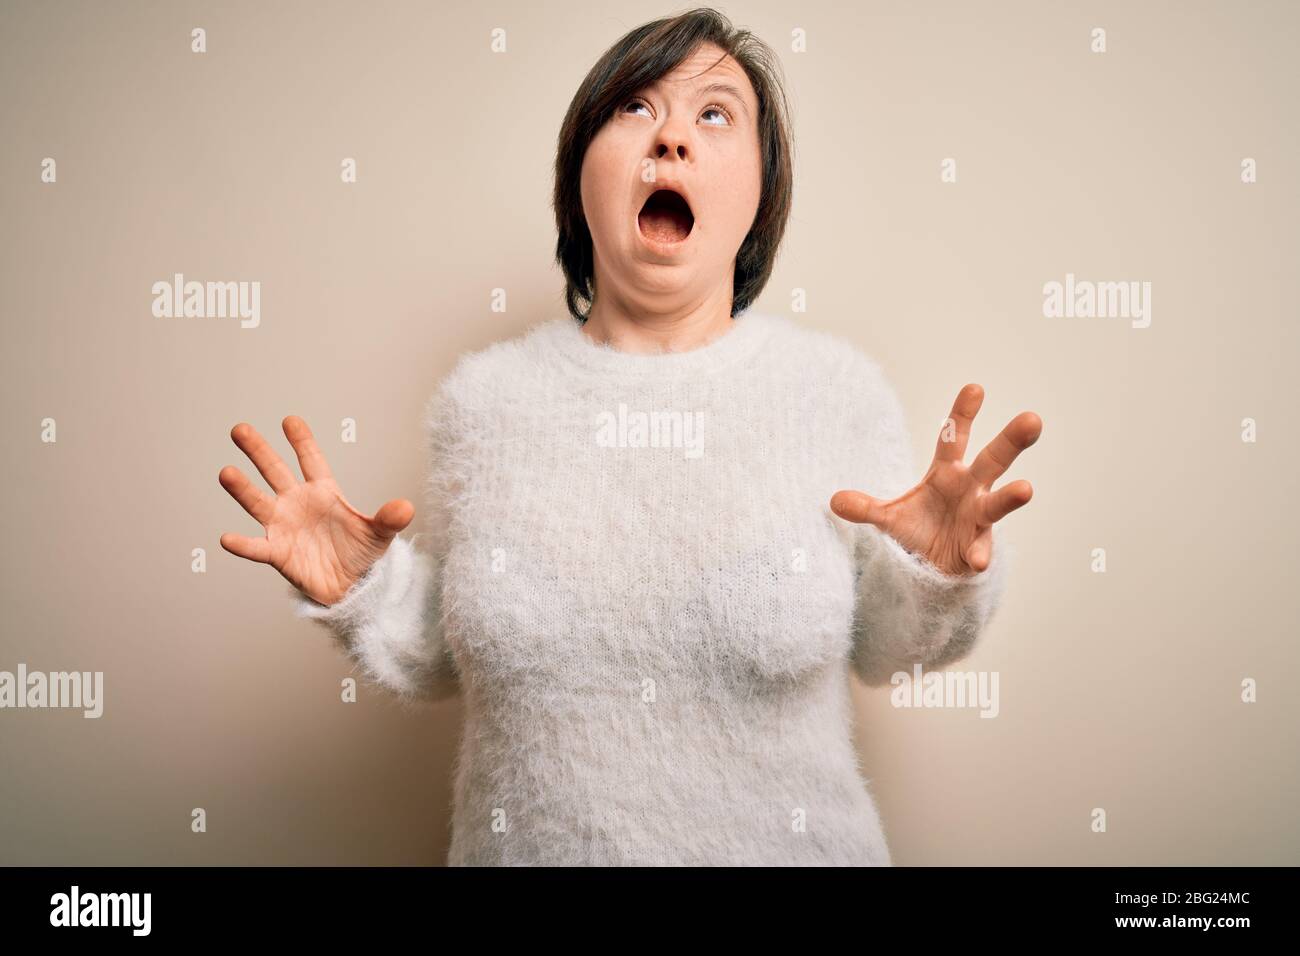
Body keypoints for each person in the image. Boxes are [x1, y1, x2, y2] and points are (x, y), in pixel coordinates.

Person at [218, 8, 1041, 865]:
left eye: (715, 114)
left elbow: (888, 650)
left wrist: (940, 575)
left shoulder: (833, 392)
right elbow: (448, 655)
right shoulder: (484, 403)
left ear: (762, 189)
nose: (673, 139)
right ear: (581, 175)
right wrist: (364, 592)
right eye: (635, 109)